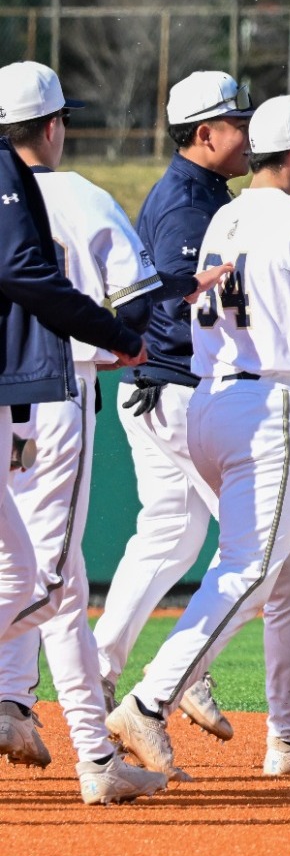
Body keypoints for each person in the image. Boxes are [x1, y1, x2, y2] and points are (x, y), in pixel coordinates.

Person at [111, 95, 290, 781]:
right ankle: (151, 698)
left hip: (213, 398)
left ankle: (286, 734)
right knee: (249, 569)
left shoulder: (226, 213)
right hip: (266, 409)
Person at [0, 62, 169, 805]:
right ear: (53, 126)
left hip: (15, 387)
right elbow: (136, 302)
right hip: (55, 390)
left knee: (32, 575)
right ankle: (89, 755)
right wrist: (123, 338)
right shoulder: (78, 194)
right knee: (53, 583)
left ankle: (75, 743)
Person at [94, 71, 263, 737]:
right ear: (204, 134)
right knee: (266, 548)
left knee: (172, 531)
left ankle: (103, 666)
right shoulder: (185, 205)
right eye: (237, 123)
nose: (247, 133)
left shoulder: (202, 192)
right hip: (177, 389)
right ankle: (183, 678)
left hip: (162, 389)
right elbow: (160, 304)